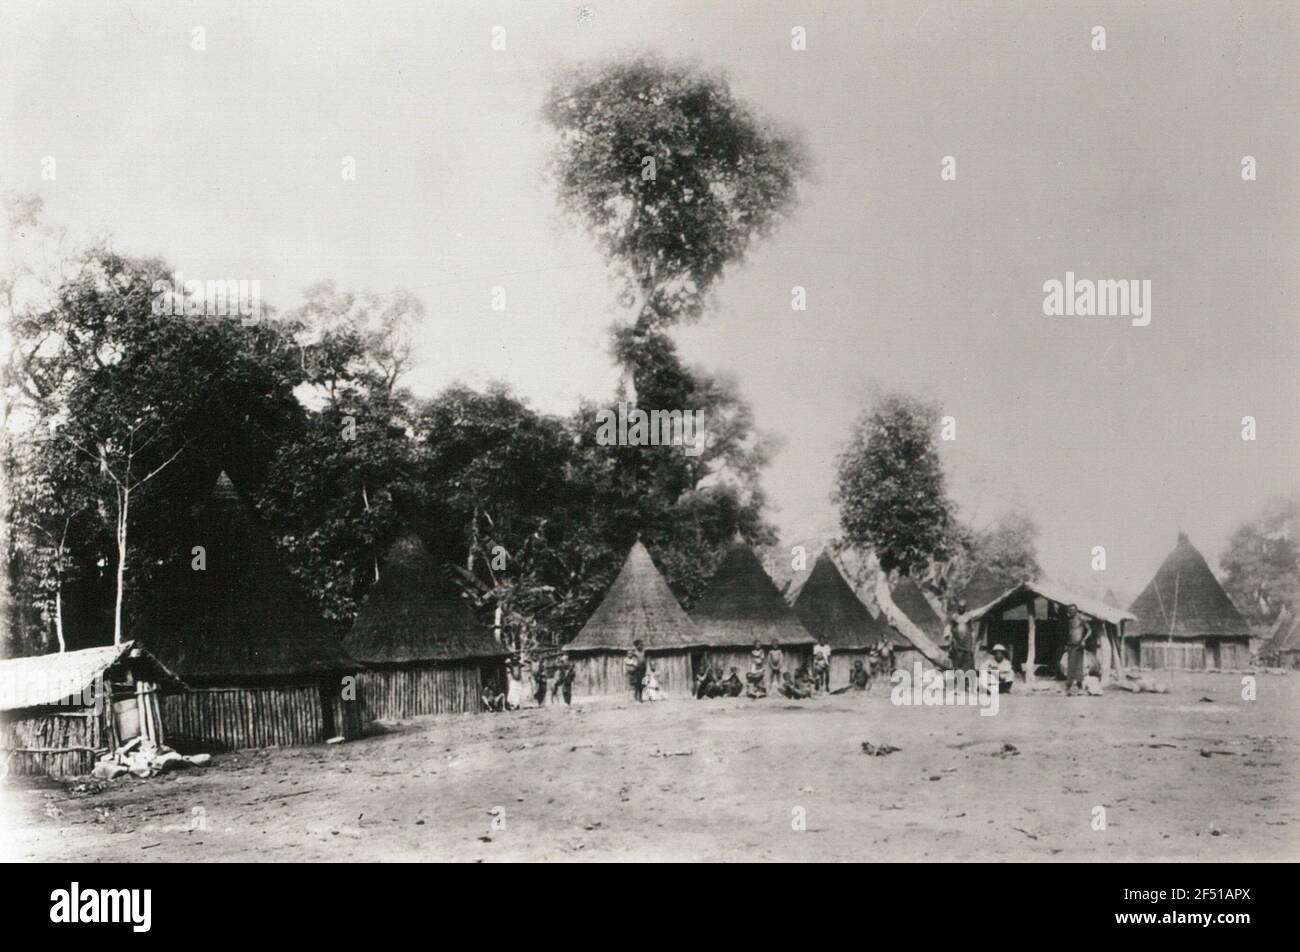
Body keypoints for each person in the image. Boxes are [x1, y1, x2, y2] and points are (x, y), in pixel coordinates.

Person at [1065, 605, 1089, 696]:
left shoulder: (1081, 618)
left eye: (1071, 611)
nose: (1069, 613)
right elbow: (1070, 632)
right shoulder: (1070, 619)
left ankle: (1079, 684)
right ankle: (1069, 685)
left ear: (1075, 611)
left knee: (1078, 664)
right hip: (1070, 644)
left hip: (1079, 645)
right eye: (1069, 611)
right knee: (1071, 664)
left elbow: (1089, 631)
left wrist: (1083, 640)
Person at [948, 599, 974, 671]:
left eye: (963, 607)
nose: (961, 608)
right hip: (957, 642)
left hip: (967, 642)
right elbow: (951, 630)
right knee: (957, 662)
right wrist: (950, 644)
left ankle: (967, 678)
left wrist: (972, 646)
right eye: (960, 607)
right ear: (958, 607)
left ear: (965, 607)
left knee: (967, 662)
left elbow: (972, 631)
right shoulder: (954, 617)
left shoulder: (969, 616)